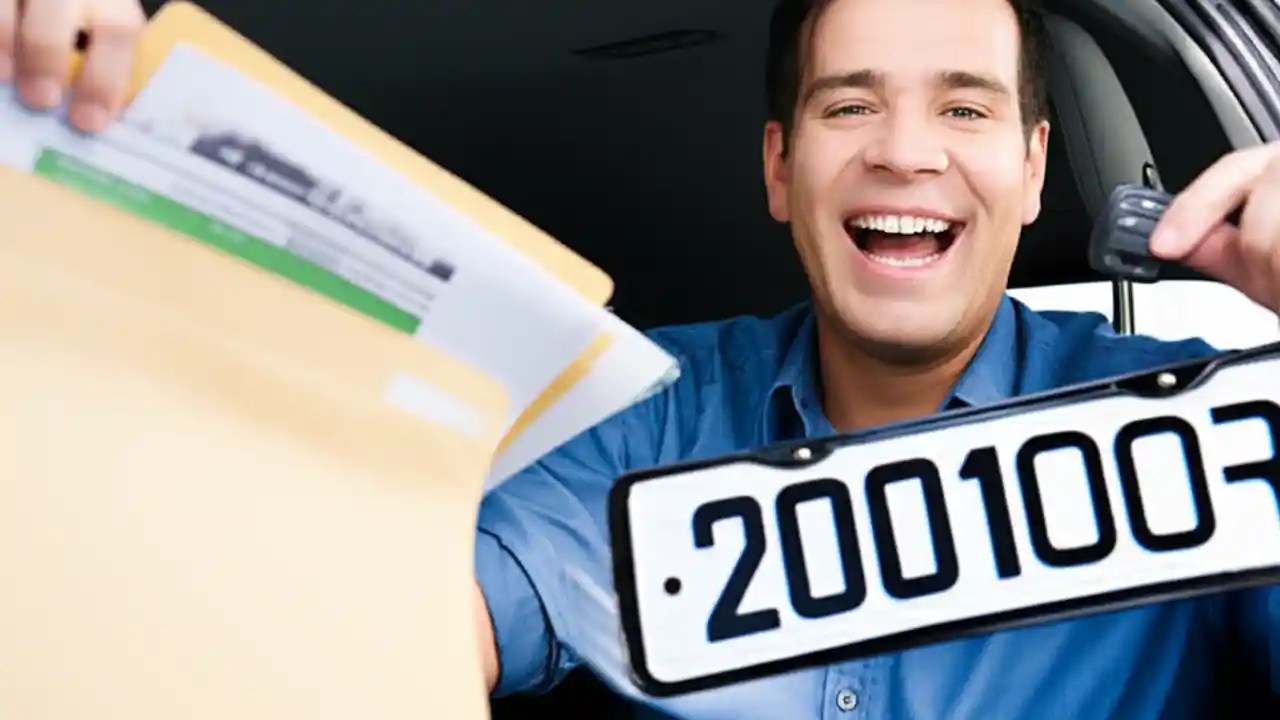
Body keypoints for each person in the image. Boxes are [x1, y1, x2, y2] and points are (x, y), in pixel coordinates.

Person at [8, 0, 1280, 717]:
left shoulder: (1192, 429)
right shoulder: (637, 417)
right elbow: (396, 638)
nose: (903, 151)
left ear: (1032, 166)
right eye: (848, 105)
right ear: (780, 171)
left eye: (962, 106)